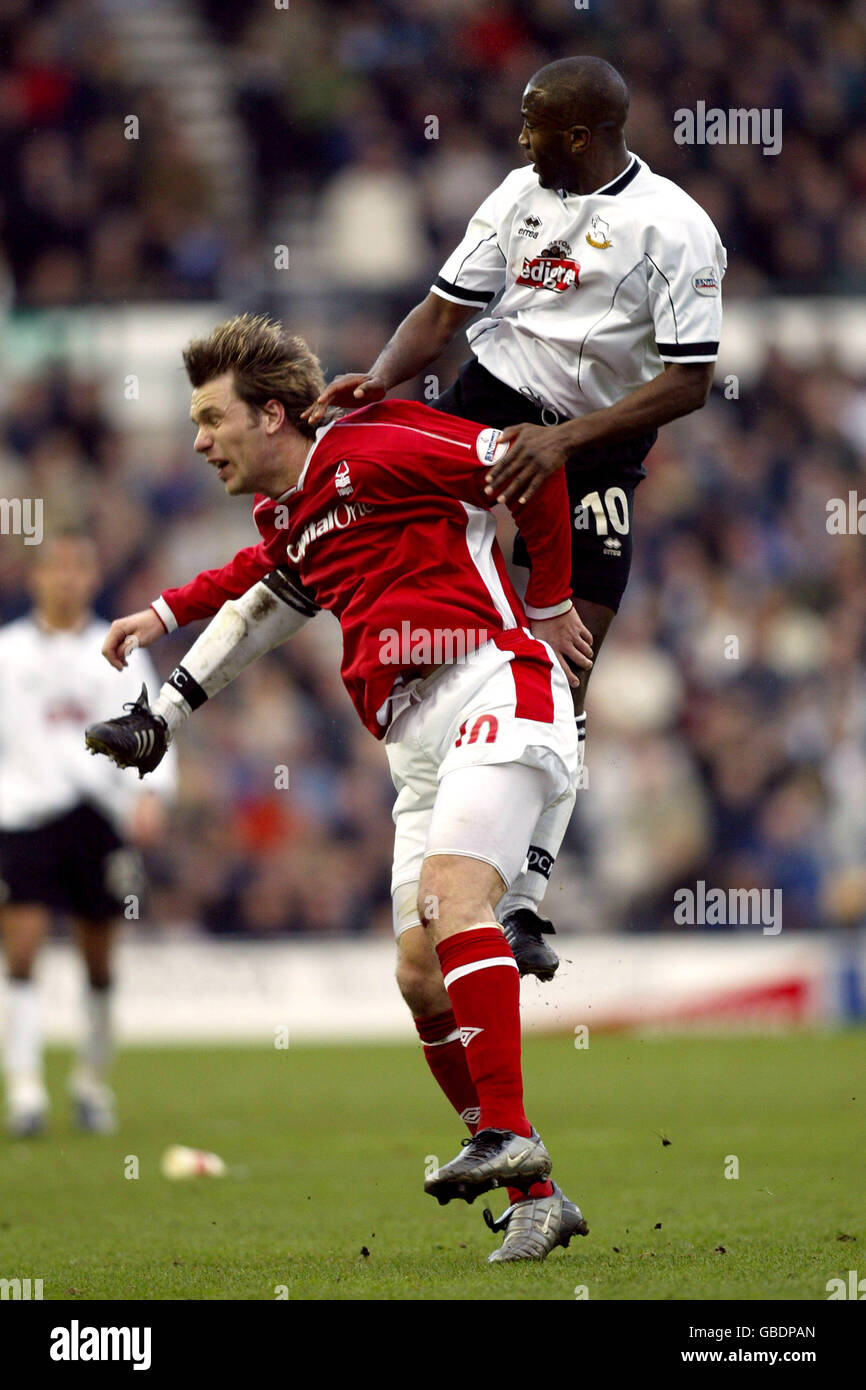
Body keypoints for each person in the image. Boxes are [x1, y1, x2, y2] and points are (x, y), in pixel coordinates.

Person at [87, 313, 593, 1262]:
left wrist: (555, 598)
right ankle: (537, 1195)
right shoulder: (289, 515)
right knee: (416, 972)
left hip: (493, 676)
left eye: (210, 419)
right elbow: (263, 586)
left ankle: (505, 1127)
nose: (198, 442)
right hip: (412, 739)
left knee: (454, 903)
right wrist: (164, 633)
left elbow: (529, 459)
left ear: (272, 415)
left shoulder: (374, 439)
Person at [304, 54, 727, 975]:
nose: (521, 135)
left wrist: (571, 441)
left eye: (534, 123)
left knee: (568, 672)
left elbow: (690, 382)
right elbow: (440, 311)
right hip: (489, 402)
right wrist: (378, 381)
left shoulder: (676, 228)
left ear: (580, 132)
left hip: (598, 450)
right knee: (379, 541)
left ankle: (525, 900)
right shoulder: (513, 196)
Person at [0, 533, 176, 1137]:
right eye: (57, 567)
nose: (68, 579)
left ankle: (90, 1083)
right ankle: (25, 1089)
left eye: (80, 567)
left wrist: (151, 793)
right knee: (20, 951)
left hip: (99, 816)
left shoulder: (117, 650)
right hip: (23, 816)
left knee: (97, 960)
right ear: (36, 577)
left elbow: (154, 723)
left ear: (93, 576)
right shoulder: (8, 653)